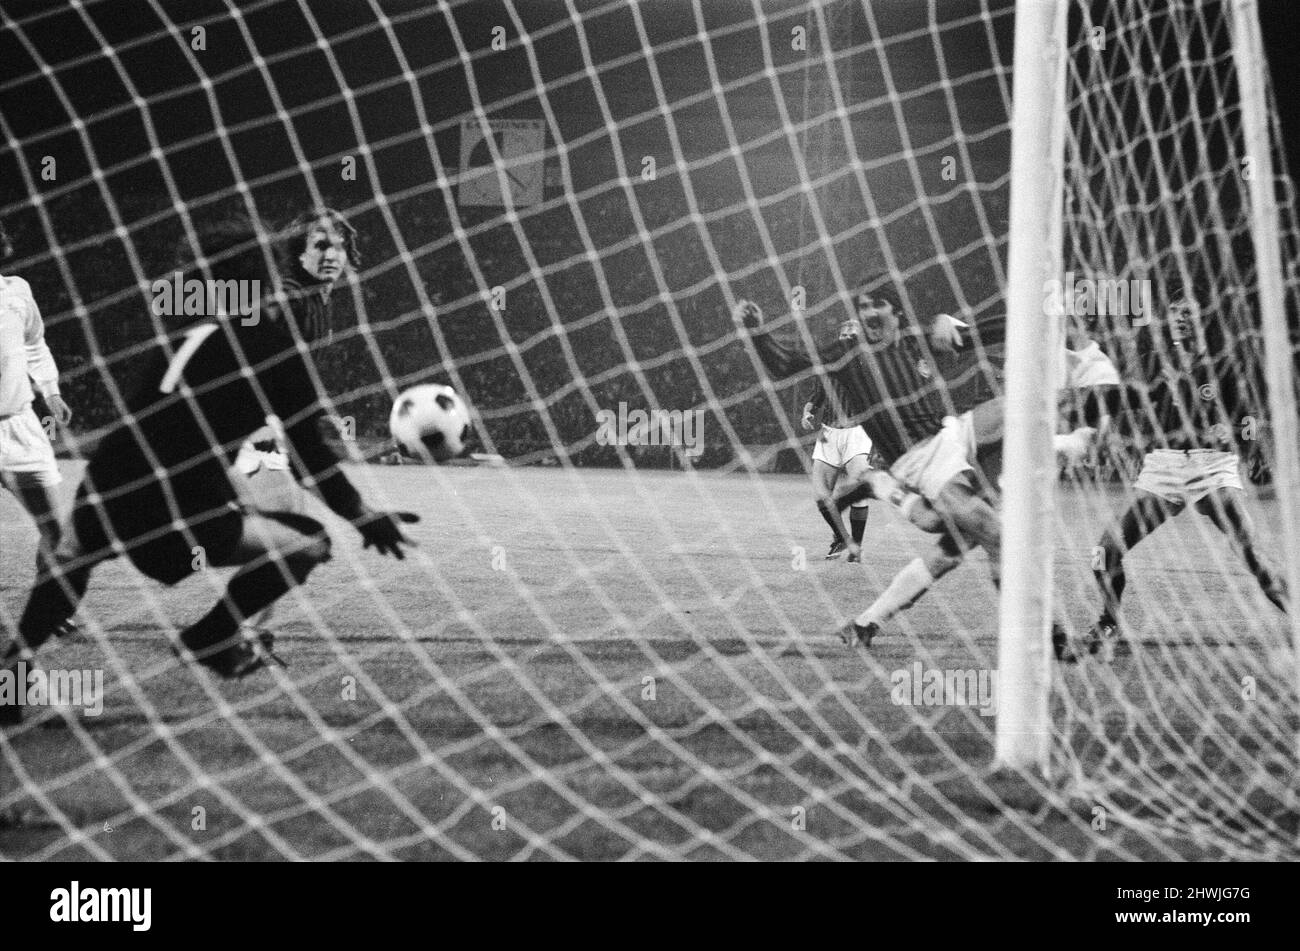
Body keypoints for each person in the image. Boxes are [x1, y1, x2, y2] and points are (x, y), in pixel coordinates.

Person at [1, 213, 416, 727]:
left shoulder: (184, 335)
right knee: (308, 542)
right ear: (260, 276)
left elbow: (165, 424)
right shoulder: (270, 341)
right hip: (176, 511)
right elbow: (309, 449)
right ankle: (212, 636)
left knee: (73, 558)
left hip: (108, 480)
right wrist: (362, 515)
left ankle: (11, 670)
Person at [1085, 278, 1287, 658]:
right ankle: (1108, 622)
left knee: (1253, 553)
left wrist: (1248, 444)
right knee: (1104, 550)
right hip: (1164, 466)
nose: (1181, 319)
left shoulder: (1223, 361)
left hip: (1213, 464)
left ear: (1202, 319)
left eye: (1189, 313)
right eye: (1176, 313)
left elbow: (1248, 414)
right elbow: (1133, 397)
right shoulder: (1153, 361)